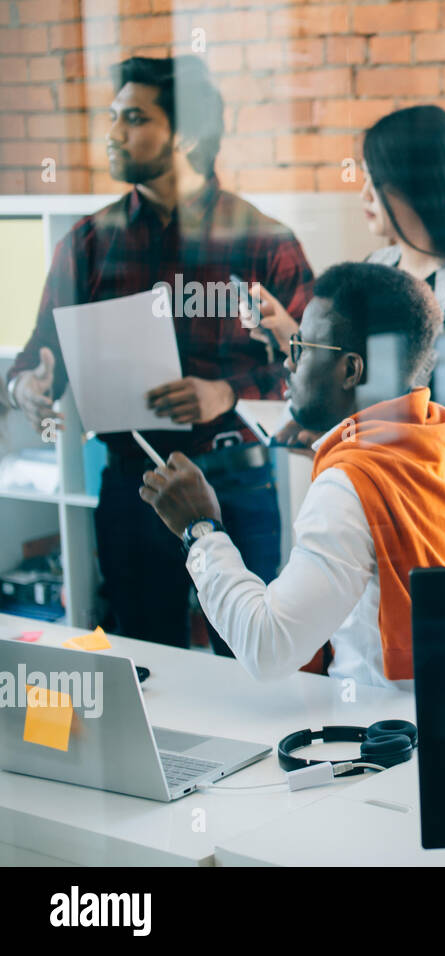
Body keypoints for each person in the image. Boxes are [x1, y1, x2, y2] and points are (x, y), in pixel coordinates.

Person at [3, 55, 313, 657]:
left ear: (187, 134)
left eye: (134, 118)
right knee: (144, 664)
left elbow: (313, 368)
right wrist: (29, 387)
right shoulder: (89, 245)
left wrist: (228, 390)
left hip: (237, 481)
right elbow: (35, 360)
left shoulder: (262, 241)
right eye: (112, 117)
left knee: (255, 659)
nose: (112, 133)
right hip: (133, 486)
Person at [138, 263, 445, 690]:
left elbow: (269, 649)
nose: (288, 361)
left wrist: (200, 528)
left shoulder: (351, 486)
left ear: (351, 370)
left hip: (380, 737)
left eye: (301, 346)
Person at [251, 105, 445, 445]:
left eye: (376, 181)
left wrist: (342, 441)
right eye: (364, 178)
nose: (364, 194)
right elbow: (357, 382)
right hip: (363, 476)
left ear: (417, 184)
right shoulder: (378, 266)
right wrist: (288, 331)